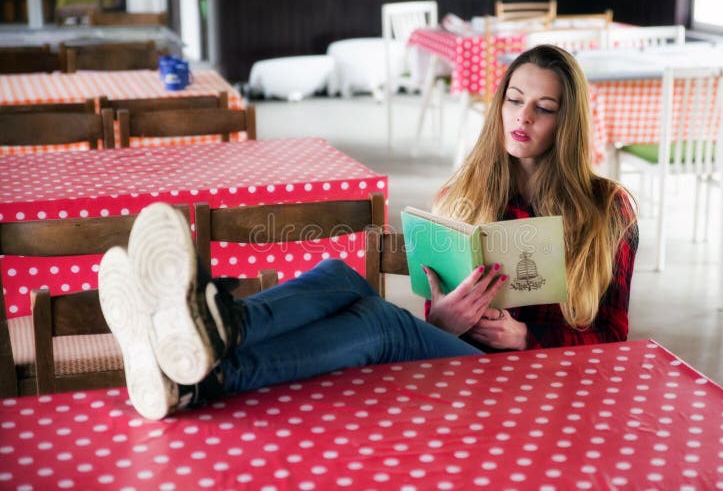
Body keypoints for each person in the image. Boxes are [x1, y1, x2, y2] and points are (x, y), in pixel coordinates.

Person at [98, 45, 638, 420]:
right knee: (340, 275)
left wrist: (526, 339)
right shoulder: (465, 192)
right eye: (514, 99)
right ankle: (219, 337)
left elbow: (614, 341)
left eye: (544, 109)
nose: (523, 117)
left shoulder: (609, 209)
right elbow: (439, 311)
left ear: (567, 123)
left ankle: (205, 362)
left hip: (532, 379)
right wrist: (445, 317)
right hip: (459, 355)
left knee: (381, 325)